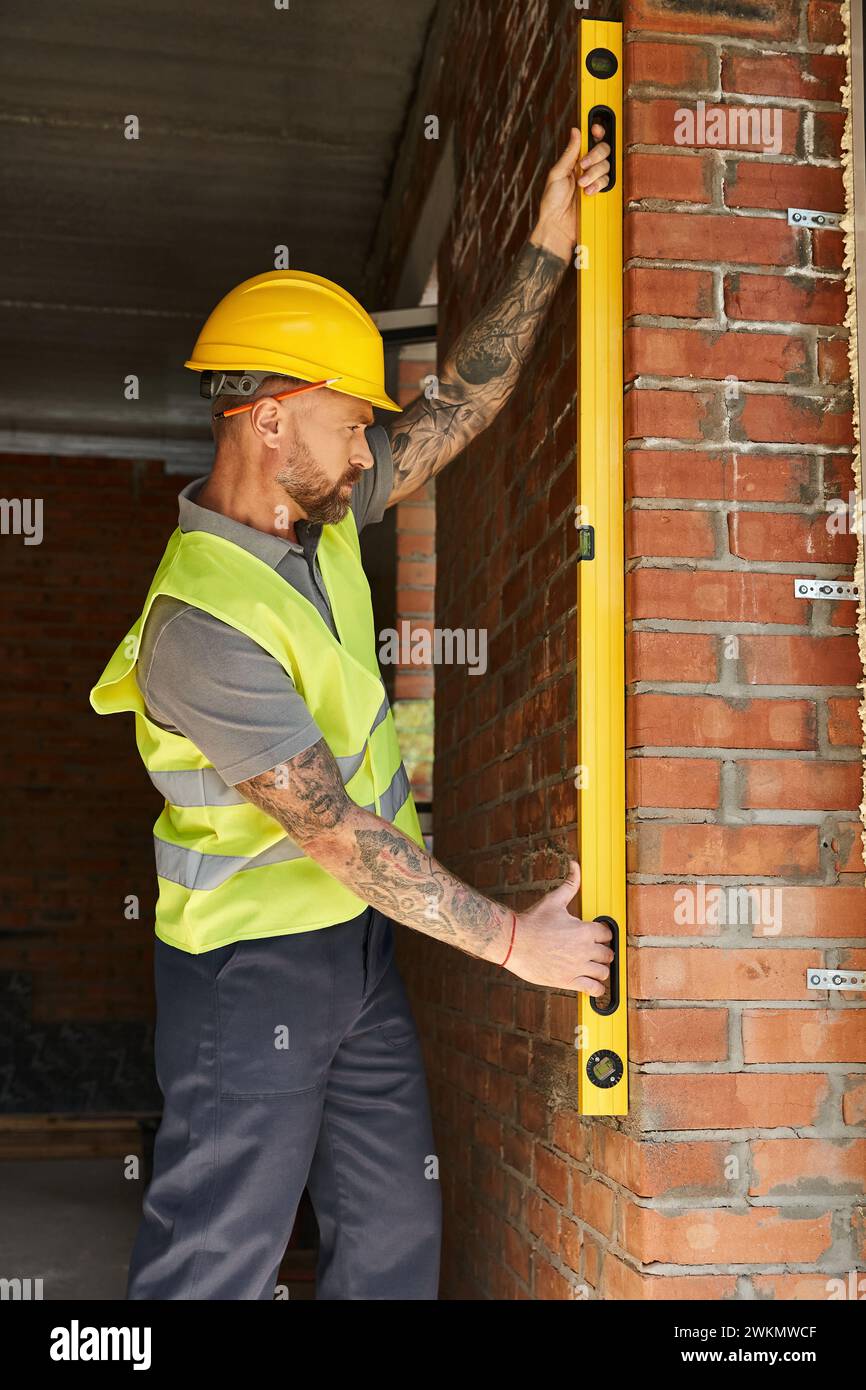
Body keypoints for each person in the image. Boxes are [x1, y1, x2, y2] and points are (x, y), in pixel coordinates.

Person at [90, 126, 613, 1301]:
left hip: (359, 950)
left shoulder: (319, 515)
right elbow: (332, 832)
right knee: (214, 1263)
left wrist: (542, 242)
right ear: (268, 418)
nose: (372, 441)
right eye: (350, 418)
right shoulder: (196, 627)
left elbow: (462, 407)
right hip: (247, 972)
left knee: (389, 1243)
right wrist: (513, 944)